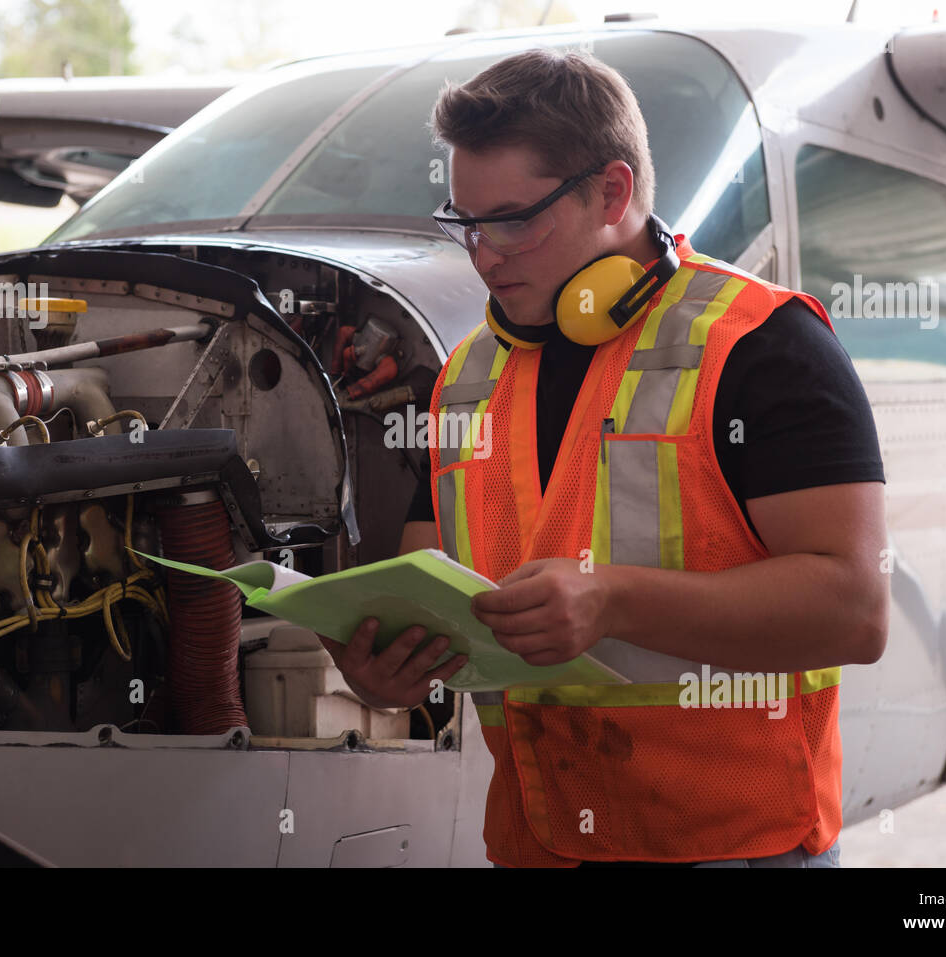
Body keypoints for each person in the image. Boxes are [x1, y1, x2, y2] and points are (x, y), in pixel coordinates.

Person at [320, 47, 887, 868]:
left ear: (614, 192)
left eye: (514, 219)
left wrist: (613, 600)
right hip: (537, 844)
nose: (483, 254)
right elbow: (431, 587)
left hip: (736, 846)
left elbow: (856, 609)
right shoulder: (465, 380)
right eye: (465, 223)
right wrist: (390, 669)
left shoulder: (762, 345)